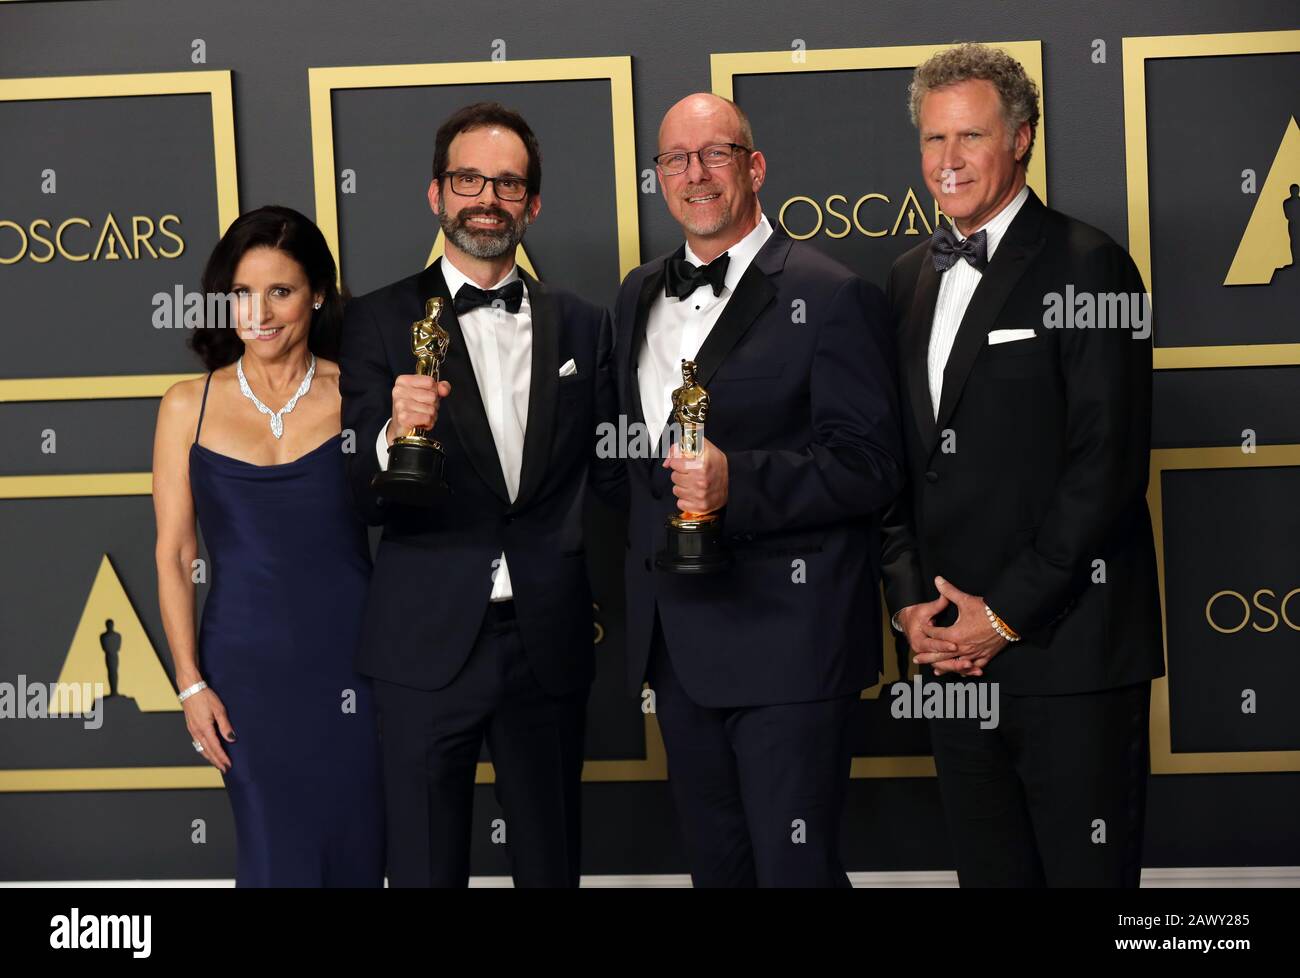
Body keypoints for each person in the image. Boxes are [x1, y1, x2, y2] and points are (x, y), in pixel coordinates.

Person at [881, 43, 1164, 887]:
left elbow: (1107, 465)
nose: (949, 161)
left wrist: (1001, 616)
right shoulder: (906, 280)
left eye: (970, 137)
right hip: (947, 657)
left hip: (1068, 651)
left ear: (1023, 139)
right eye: (934, 140)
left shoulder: (1089, 262)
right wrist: (910, 608)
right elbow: (893, 462)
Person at [612, 92, 903, 886]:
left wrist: (739, 480)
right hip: (678, 644)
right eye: (674, 159)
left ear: (755, 167)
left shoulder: (832, 293)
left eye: (716, 154)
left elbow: (870, 467)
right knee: (719, 872)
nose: (694, 175)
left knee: (795, 873)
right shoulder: (636, 293)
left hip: (790, 646)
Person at [339, 102, 619, 887]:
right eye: (468, 178)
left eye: (507, 183)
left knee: (550, 865)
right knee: (425, 869)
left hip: (549, 639)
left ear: (532, 204)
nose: (486, 198)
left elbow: (612, 478)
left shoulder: (584, 325)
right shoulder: (377, 319)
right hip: (423, 646)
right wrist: (395, 435)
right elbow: (360, 495)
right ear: (437, 193)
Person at [153, 205, 384, 887]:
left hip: (357, 665)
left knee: (358, 853)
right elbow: (172, 552)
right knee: (272, 858)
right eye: (242, 293)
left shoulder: (359, 394)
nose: (258, 313)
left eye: (279, 291)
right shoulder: (184, 405)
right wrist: (190, 681)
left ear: (316, 293)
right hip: (244, 675)